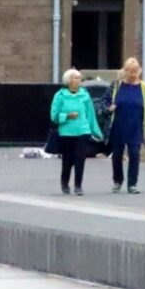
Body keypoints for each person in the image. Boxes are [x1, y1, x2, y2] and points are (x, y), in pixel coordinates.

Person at [50, 68, 104, 196]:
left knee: (80, 159)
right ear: (69, 80)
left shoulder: (85, 95)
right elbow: (54, 116)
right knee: (67, 159)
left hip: (82, 131)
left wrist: (97, 133)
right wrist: (67, 116)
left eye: (79, 78)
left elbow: (90, 115)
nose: (78, 81)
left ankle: (78, 185)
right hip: (66, 132)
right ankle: (64, 183)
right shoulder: (59, 96)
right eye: (75, 78)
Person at [106, 57, 145, 194]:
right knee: (117, 155)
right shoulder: (116, 85)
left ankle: (132, 183)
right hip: (118, 126)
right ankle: (117, 181)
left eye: (135, 72)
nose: (133, 75)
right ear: (125, 71)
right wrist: (109, 108)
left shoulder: (144, 88)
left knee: (134, 154)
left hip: (135, 126)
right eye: (130, 72)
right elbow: (105, 102)